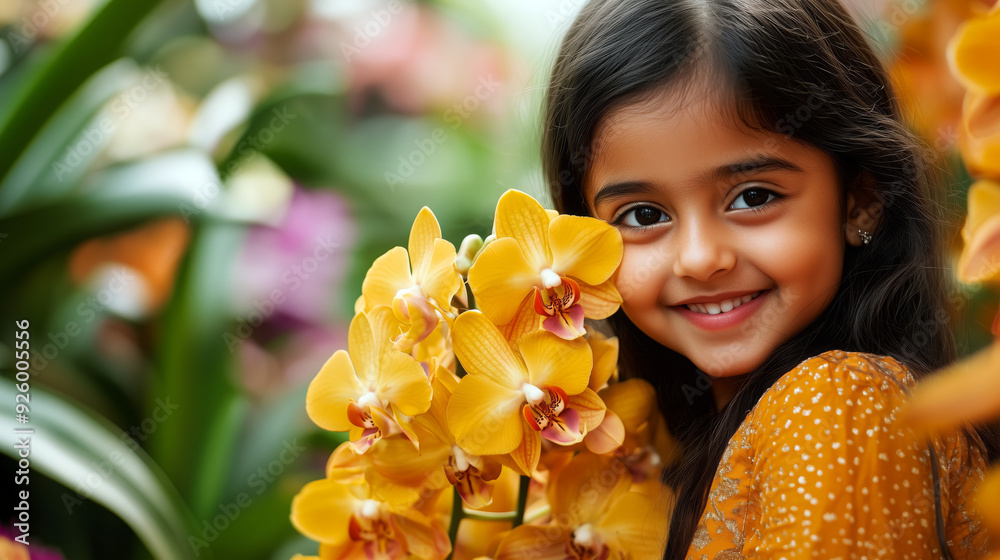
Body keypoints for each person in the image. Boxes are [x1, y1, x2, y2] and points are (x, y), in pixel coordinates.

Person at [541, 0, 997, 557]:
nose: (700, 258)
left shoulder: (836, 403)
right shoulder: (676, 458)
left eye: (753, 197)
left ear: (861, 200)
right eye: (643, 215)